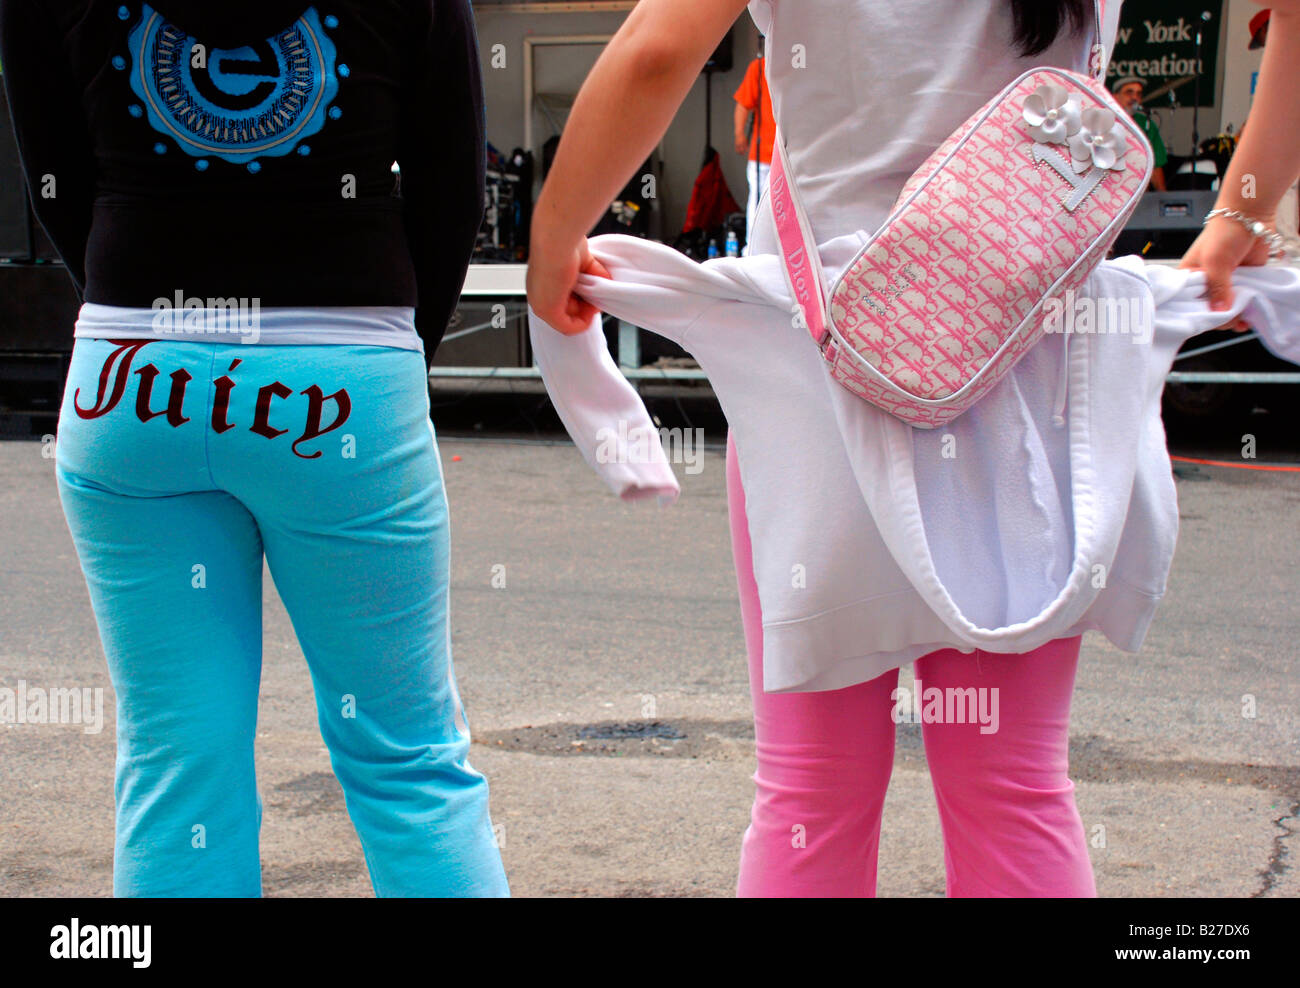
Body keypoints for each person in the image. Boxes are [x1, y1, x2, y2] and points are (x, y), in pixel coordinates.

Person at [527, 0, 1300, 897]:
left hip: (825, 375)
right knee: (1014, 792)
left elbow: (659, 50)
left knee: (810, 793)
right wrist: (1238, 219)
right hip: (1032, 374)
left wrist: (554, 235)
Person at [0, 0, 509, 897]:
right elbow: (451, 189)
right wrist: (388, 357)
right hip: (343, 377)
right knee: (407, 756)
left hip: (130, 373)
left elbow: (55, 177)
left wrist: (146, 325)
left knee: (174, 756)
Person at [733, 39, 774, 247]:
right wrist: (739, 133)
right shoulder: (759, 67)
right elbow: (743, 103)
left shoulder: (800, 68)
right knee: (757, 204)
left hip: (792, 156)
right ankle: (753, 248)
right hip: (764, 155)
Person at [1111, 75, 1167, 190]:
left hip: (1138, 193)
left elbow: (1155, 166)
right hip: (1110, 192)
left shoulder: (1146, 123)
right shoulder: (1104, 120)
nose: (1134, 97)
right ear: (1115, 97)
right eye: (1129, 92)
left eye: (1138, 94)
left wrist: (1162, 197)